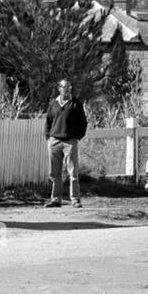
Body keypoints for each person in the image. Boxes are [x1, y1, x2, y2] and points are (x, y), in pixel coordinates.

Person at [45, 79, 88, 208]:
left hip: (70, 141)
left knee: (73, 172)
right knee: (55, 173)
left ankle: (75, 199)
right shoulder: (53, 103)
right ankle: (56, 199)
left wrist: (77, 137)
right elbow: (48, 121)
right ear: (59, 88)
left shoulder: (75, 103)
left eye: (70, 87)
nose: (68, 89)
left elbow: (83, 122)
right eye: (65, 87)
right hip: (55, 141)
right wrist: (48, 137)